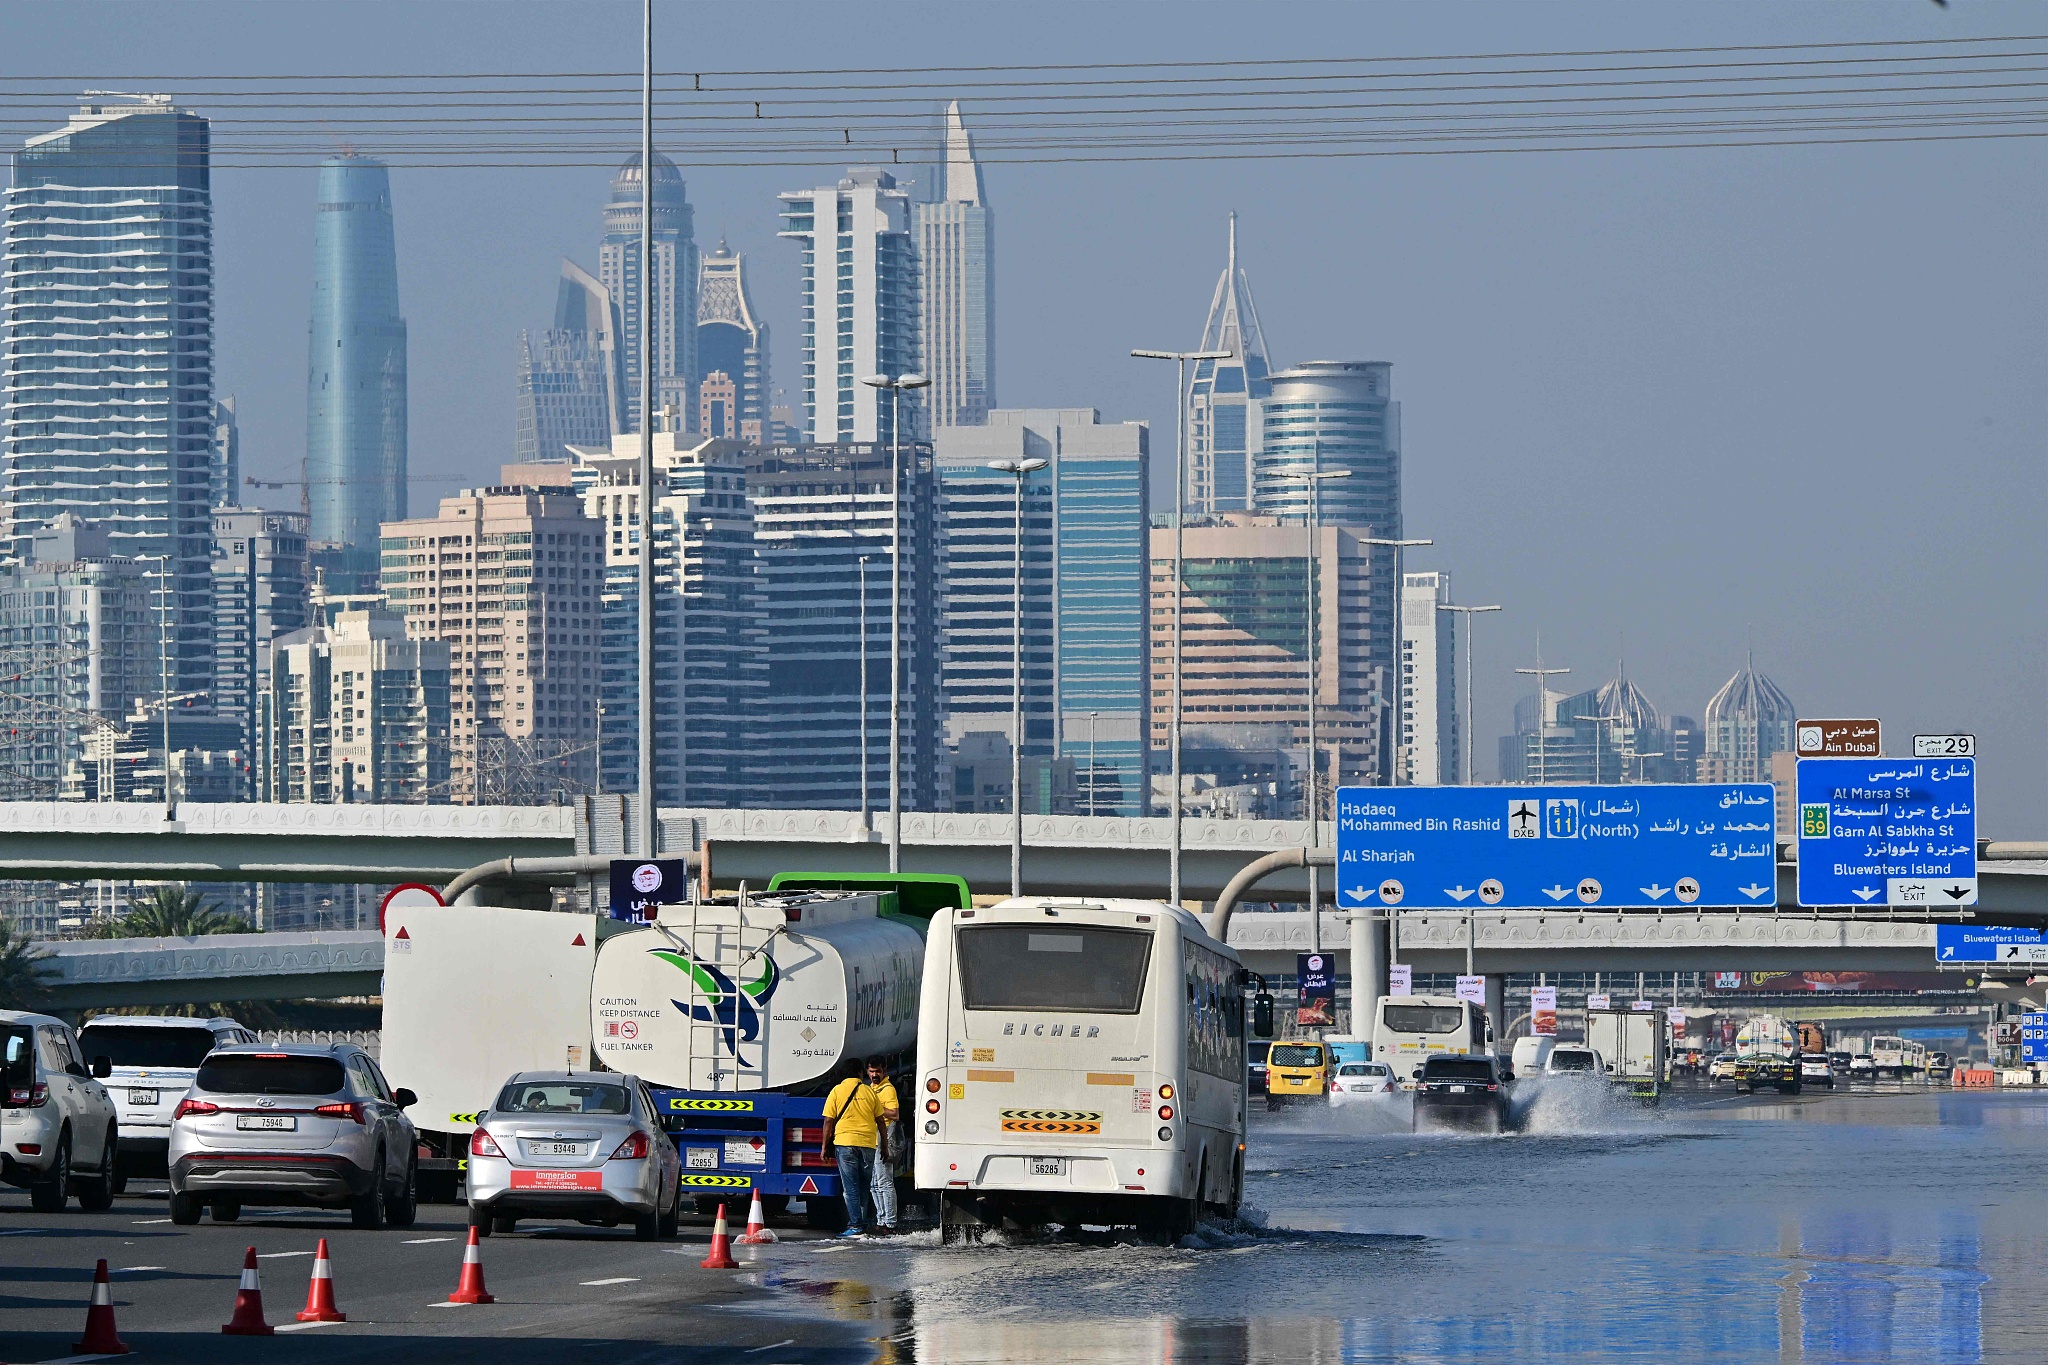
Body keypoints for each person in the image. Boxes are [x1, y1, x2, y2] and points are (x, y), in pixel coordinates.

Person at [822, 1056, 883, 1237]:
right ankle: (862, 1223)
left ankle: (856, 1225)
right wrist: (885, 1147)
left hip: (845, 1144)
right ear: (860, 1073)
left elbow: (828, 1121)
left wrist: (824, 1147)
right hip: (868, 1145)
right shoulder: (869, 1092)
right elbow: (881, 1121)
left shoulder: (836, 1091)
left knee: (850, 1189)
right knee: (864, 1187)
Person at [863, 1058, 903, 1234]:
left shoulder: (888, 1089)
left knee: (885, 1182)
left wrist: (873, 1108)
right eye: (871, 1072)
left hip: (884, 1136)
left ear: (884, 1070)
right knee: (874, 1184)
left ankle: (890, 1223)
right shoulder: (873, 1089)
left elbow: (894, 1114)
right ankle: (881, 1219)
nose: (874, 1075)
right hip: (873, 1137)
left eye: (877, 1071)